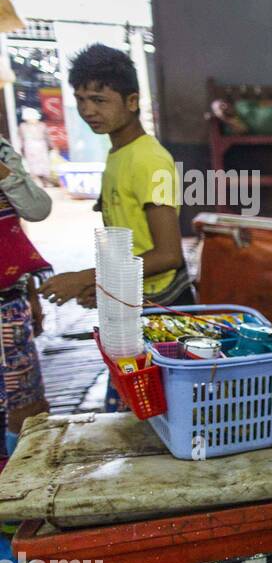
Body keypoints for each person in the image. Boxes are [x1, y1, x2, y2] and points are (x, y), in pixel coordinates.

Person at [41, 44, 191, 309]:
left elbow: (169, 255)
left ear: (132, 102)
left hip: (162, 300)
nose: (87, 111)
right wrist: (104, 286)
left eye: (99, 100)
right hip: (132, 289)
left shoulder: (148, 160)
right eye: (80, 100)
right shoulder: (118, 153)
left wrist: (85, 278)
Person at [0, 134, 53, 452]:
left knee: (27, 413)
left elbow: (34, 210)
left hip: (10, 306)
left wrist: (31, 295)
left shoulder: (3, 150)